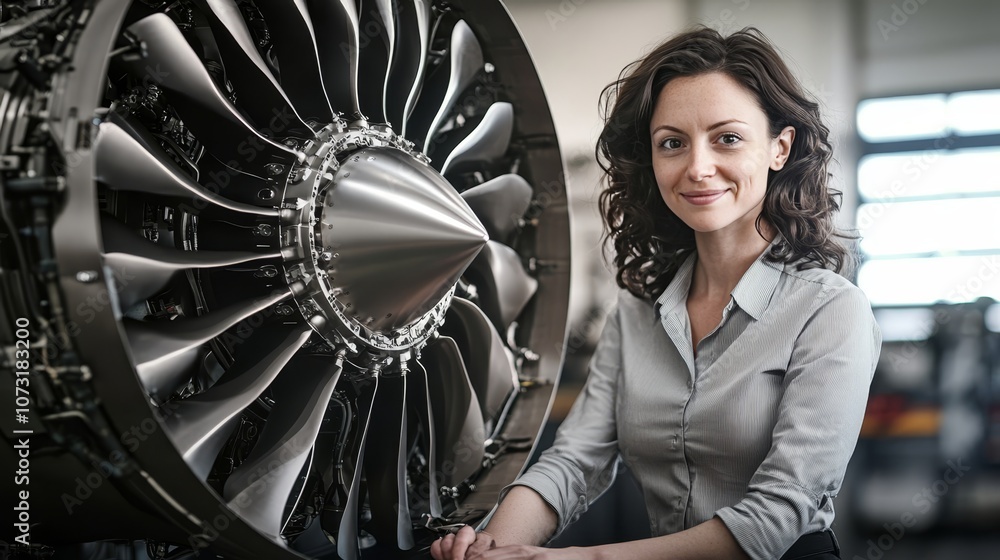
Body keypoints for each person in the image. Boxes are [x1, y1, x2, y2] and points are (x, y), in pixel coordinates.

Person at [431, 26, 880, 560]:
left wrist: (573, 559)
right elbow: (575, 459)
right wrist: (487, 548)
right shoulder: (638, 308)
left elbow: (776, 514)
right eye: (672, 143)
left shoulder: (830, 310)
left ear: (779, 148)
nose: (697, 167)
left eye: (727, 138)